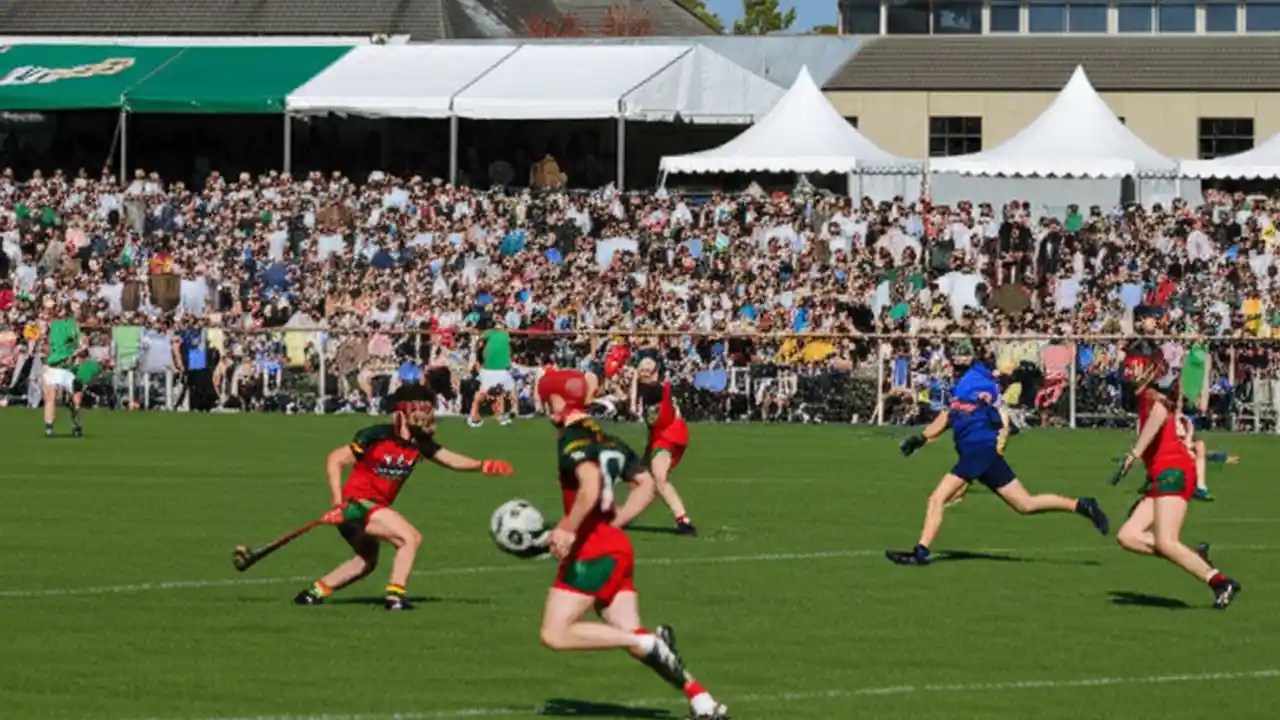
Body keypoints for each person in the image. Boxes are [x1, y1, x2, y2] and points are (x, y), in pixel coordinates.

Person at [536, 369, 728, 719]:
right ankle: (702, 699)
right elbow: (645, 484)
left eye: (545, 400)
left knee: (555, 633)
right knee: (632, 633)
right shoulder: (607, 438)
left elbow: (590, 484)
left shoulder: (572, 437)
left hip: (592, 551)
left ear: (556, 402)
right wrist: (615, 523)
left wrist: (567, 527)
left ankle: (648, 642)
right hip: (617, 547)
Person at [294, 384, 514, 611]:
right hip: (357, 504)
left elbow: (449, 459)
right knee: (410, 538)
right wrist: (338, 503)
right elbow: (335, 459)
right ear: (402, 414)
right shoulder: (375, 436)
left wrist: (481, 465)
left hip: (373, 508)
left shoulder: (419, 444)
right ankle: (395, 596)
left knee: (366, 561)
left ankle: (313, 592)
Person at [887, 356, 1110, 566]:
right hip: (984, 454)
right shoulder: (965, 389)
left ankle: (921, 551)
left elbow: (997, 381)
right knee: (1025, 504)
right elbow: (948, 415)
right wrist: (922, 438)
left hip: (977, 451)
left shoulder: (980, 381)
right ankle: (1081, 505)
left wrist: (1009, 377)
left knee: (937, 498)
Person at [1113, 352, 1241, 609]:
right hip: (1161, 473)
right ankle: (1195, 558)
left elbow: (1161, 413)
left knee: (1166, 542)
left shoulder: (1150, 397)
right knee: (1128, 536)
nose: (1127, 375)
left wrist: (1135, 453)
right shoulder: (1144, 398)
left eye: (1131, 369)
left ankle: (1220, 582)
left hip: (1174, 471)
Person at [631, 358, 697, 535]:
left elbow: (636, 404)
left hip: (669, 435)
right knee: (638, 477)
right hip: (660, 437)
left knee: (659, 477)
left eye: (648, 370)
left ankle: (683, 520)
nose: (644, 373)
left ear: (655, 373)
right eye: (642, 369)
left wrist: (633, 381)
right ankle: (622, 515)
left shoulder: (655, 389)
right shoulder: (648, 390)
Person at [42, 304, 85, 437]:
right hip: (53, 365)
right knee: (51, 394)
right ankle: (49, 427)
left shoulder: (72, 325)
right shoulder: (51, 325)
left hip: (68, 367)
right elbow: (46, 344)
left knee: (74, 400)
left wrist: (79, 349)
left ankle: (77, 424)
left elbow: (82, 341)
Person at [469, 319, 515, 428]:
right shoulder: (499, 335)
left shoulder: (488, 336)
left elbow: (479, 348)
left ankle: (478, 417)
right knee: (493, 392)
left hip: (492, 368)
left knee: (497, 393)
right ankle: (476, 416)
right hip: (493, 368)